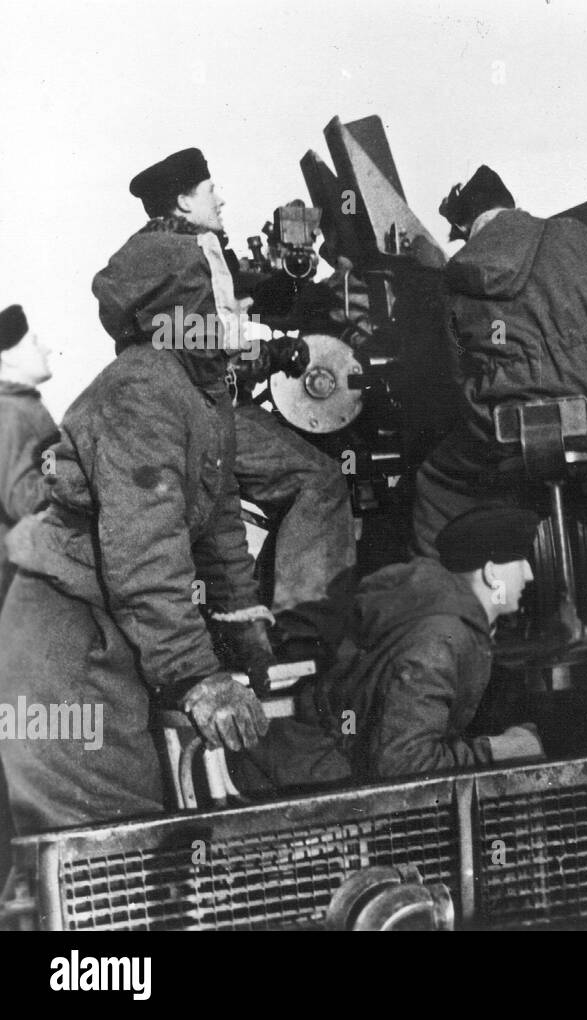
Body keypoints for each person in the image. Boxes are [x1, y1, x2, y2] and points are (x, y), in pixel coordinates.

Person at [0, 148, 272, 832]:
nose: (234, 306)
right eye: (220, 292)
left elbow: (214, 523)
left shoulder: (199, 392)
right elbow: (144, 550)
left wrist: (244, 623)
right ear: (182, 308)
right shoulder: (145, 389)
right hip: (67, 654)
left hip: (108, 634)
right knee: (109, 850)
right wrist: (197, 677)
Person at [411, 166, 587, 625]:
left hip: (507, 442)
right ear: (510, 204)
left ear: (466, 227)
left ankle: (434, 623)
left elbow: (458, 376)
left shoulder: (454, 279)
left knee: (436, 484)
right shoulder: (571, 236)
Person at [107, 151, 357, 670]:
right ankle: (304, 630)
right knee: (320, 480)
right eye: (209, 190)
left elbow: (182, 327)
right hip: (205, 413)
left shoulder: (145, 257)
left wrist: (276, 293)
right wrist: (270, 353)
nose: (219, 198)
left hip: (165, 416)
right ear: (183, 201)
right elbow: (192, 337)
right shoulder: (190, 252)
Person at [318, 506, 546, 780]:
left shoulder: (448, 619)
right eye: (520, 562)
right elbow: (402, 765)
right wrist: (497, 751)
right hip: (320, 786)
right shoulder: (440, 640)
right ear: (492, 575)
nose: (529, 575)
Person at [0, 305, 58, 606]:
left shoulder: (17, 407)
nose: (47, 349)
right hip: (15, 581)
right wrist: (75, 475)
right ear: (8, 355)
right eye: (34, 342)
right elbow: (22, 499)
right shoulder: (12, 412)